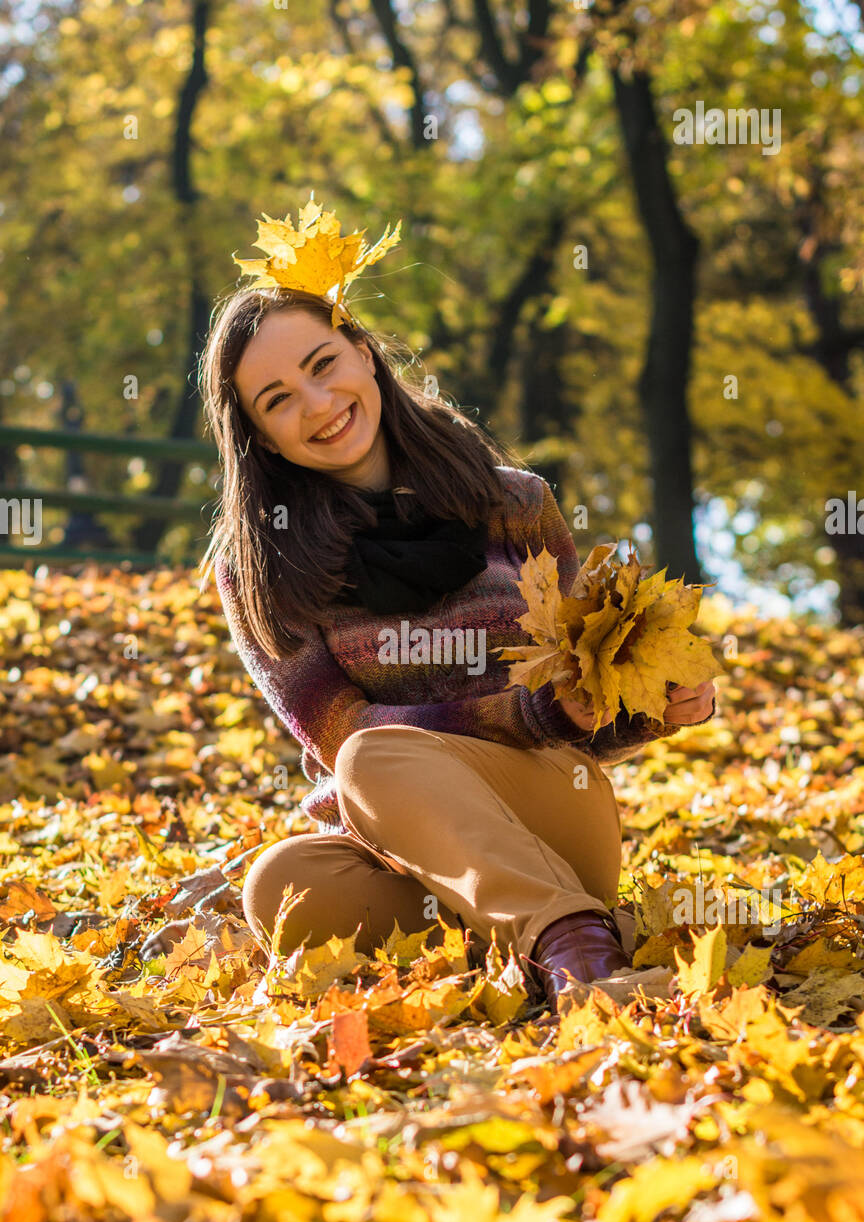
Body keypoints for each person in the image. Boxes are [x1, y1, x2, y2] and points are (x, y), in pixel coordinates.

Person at [198, 200, 716, 1012]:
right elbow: (345, 735)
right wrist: (531, 713)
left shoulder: (514, 502)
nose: (317, 403)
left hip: (551, 809)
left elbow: (582, 703)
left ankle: (573, 946)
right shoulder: (261, 567)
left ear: (365, 354)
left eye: (324, 363)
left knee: (377, 760)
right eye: (277, 399)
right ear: (262, 436)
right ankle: (529, 932)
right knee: (281, 885)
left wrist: (659, 705)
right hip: (399, 842)